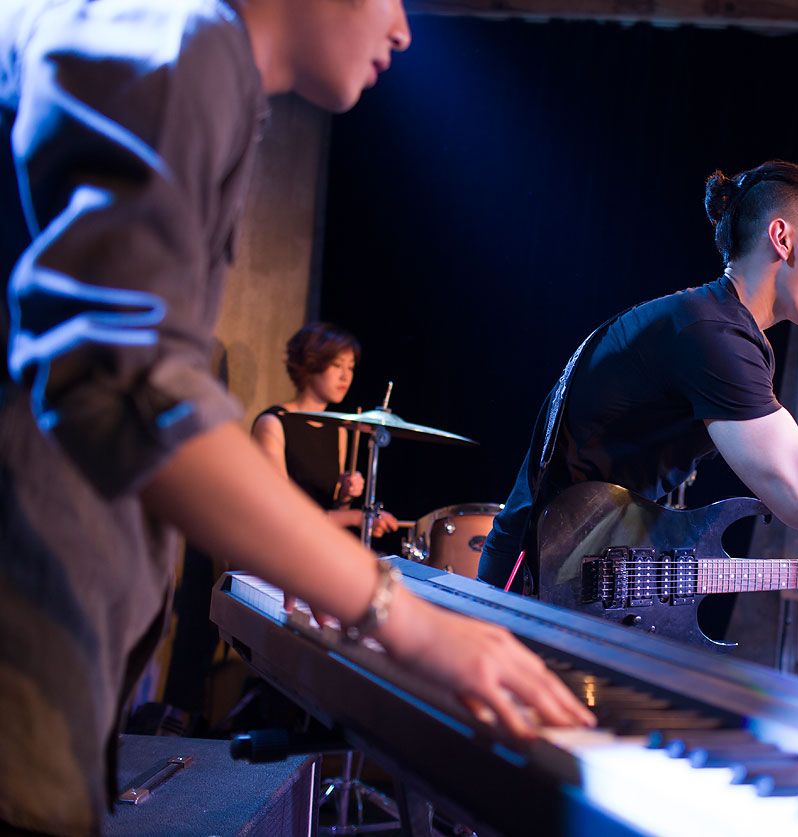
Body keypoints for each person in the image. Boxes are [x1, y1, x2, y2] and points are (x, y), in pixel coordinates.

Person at [0, 1, 591, 833]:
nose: (405, 31)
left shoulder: (199, 64)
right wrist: (403, 620)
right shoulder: (176, 44)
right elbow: (124, 383)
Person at [478, 160, 798, 590]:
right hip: (537, 579)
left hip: (572, 568)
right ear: (782, 238)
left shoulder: (720, 326)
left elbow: (783, 465)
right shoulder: (712, 337)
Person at [252, 322, 399, 538]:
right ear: (311, 364)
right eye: (337, 365)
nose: (345, 376)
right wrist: (359, 517)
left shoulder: (338, 429)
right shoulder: (273, 423)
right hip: (274, 546)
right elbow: (281, 511)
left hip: (314, 544)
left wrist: (345, 497)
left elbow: (333, 514)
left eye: (350, 367)